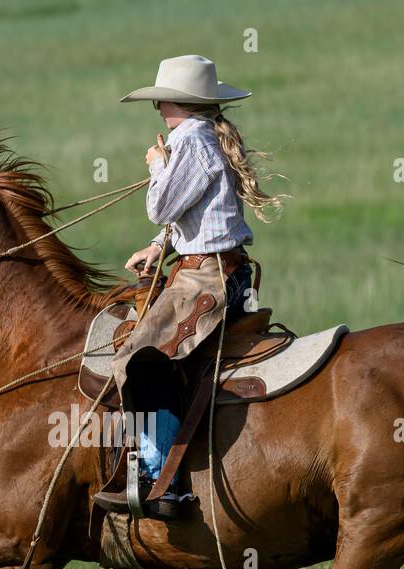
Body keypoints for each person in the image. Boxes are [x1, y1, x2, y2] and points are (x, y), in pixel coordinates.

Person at [93, 55, 285, 520]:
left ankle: (163, 482)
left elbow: (161, 206)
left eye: (160, 100)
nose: (157, 108)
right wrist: (159, 248)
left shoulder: (192, 142)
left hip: (207, 277)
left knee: (139, 359)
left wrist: (159, 166)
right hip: (208, 267)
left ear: (174, 102)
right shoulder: (201, 137)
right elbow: (193, 216)